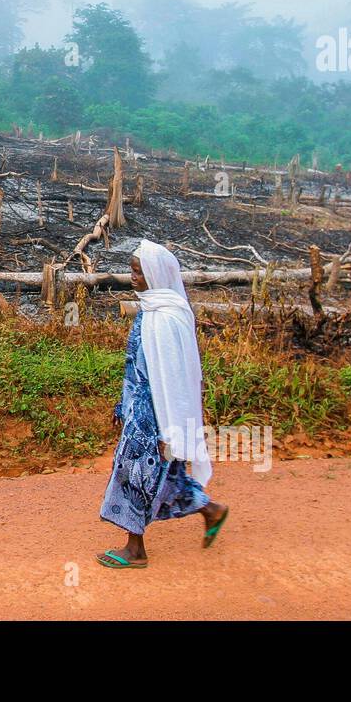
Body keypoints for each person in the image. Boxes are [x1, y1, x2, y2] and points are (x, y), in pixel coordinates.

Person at [97, 239, 230, 568]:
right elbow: (137, 366)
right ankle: (211, 510)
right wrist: (123, 405)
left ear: (155, 274)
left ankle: (136, 550)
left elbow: (174, 381)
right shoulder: (152, 309)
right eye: (132, 270)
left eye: (138, 271)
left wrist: (168, 432)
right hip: (140, 410)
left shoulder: (167, 317)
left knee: (134, 476)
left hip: (155, 417)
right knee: (167, 477)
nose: (133, 277)